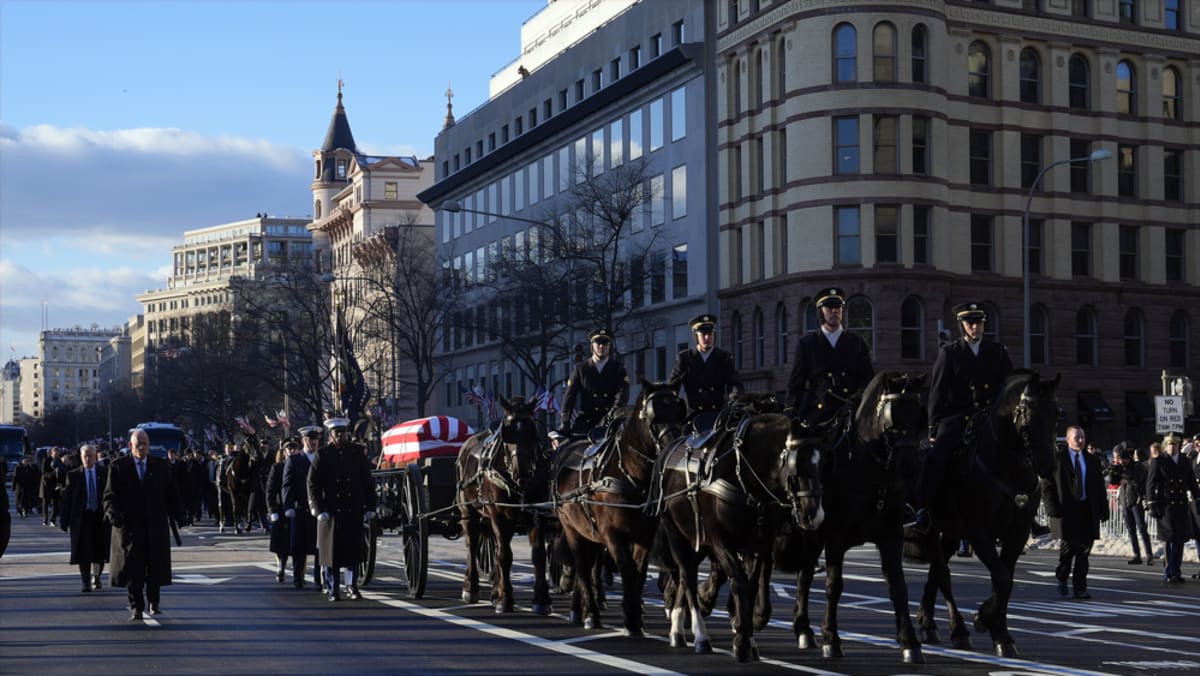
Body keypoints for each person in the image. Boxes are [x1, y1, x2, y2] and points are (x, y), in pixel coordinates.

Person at [914, 302, 1013, 534]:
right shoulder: (949, 353)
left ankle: (1023, 507)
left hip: (990, 416)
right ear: (962, 326)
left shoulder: (997, 352)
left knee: (1019, 452)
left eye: (978, 323)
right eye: (970, 323)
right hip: (959, 417)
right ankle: (925, 509)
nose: (975, 327)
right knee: (936, 458)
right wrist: (933, 429)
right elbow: (937, 392)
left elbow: (1008, 387)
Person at [103, 429, 185, 621]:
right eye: (138, 444)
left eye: (145, 443)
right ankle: (136, 606)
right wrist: (115, 516)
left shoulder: (161, 466)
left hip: (155, 526)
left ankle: (154, 603)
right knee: (133, 569)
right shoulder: (118, 467)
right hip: (130, 528)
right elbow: (109, 497)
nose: (141, 447)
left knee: (155, 566)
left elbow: (171, 494)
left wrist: (180, 515)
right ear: (130, 445)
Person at [784, 287, 875, 428]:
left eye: (838, 307)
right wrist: (790, 411)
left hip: (850, 409)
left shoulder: (856, 342)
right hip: (818, 411)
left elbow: (868, 377)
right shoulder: (807, 344)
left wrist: (859, 396)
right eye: (829, 307)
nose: (835, 311)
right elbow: (797, 383)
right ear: (821, 311)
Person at [307, 417, 376, 601]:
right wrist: (318, 509)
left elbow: (367, 481)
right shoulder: (323, 454)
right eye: (337, 433)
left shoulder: (356, 452)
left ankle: (352, 586)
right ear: (331, 435)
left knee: (352, 553)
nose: (341, 435)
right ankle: (332, 588)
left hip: (352, 509)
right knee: (331, 555)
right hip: (330, 512)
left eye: (343, 432)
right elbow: (312, 484)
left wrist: (370, 506)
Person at [1042, 425, 1109, 599]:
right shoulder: (1058, 460)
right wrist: (1052, 508)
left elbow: (1100, 487)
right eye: (1077, 437)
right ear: (1068, 439)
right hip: (1066, 512)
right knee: (1068, 549)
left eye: (1082, 437)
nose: (1080, 441)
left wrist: (1103, 508)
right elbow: (1048, 486)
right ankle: (1062, 576)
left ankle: (1080, 587)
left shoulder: (1092, 460)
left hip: (1087, 510)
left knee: (1084, 551)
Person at [669, 313, 743, 424]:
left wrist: (734, 397)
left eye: (710, 334)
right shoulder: (684, 359)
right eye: (703, 334)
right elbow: (673, 387)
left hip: (718, 416)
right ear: (696, 336)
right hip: (693, 417)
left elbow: (734, 383)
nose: (707, 337)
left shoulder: (723, 358)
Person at [1147, 432, 1200, 584]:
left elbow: (1191, 482)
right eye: (1169, 444)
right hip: (1166, 505)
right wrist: (1151, 503)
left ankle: (1176, 570)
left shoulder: (1185, 461)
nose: (1171, 447)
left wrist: (1197, 497)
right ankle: (1168, 571)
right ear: (1165, 445)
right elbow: (1150, 484)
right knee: (1169, 538)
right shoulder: (1159, 461)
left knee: (1179, 539)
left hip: (1181, 504)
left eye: (1174, 444)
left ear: (1178, 446)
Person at [558, 329, 630, 438]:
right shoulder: (581, 369)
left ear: (609, 346)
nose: (601, 347)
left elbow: (622, 393)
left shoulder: (618, 369)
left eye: (605, 343)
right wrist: (565, 423)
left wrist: (616, 411)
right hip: (586, 422)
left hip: (610, 422)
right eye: (598, 343)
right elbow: (569, 397)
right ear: (592, 346)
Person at [60, 444, 111, 592]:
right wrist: (64, 519)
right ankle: (85, 581)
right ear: (81, 458)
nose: (88, 459)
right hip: (82, 517)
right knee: (84, 551)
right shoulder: (74, 475)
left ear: (96, 457)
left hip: (100, 517)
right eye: (85, 456)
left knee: (100, 549)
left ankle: (97, 576)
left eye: (90, 455)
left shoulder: (104, 473)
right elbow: (67, 499)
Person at [284, 426, 322, 590]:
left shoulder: (322, 458)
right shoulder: (294, 460)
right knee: (299, 546)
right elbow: (287, 485)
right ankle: (298, 577)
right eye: (309, 439)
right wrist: (288, 506)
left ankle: (319, 578)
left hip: (319, 508)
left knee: (320, 545)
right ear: (303, 441)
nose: (312, 442)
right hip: (300, 508)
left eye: (315, 439)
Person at [1108, 446, 1155, 565]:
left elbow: (1134, 478)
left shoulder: (1137, 466)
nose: (1123, 461)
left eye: (1125, 459)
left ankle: (1149, 554)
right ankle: (1136, 554)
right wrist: (1113, 471)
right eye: (1121, 459)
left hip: (1136, 501)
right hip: (1125, 501)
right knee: (1131, 530)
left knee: (1142, 528)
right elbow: (1113, 482)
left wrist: (1123, 470)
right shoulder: (1121, 468)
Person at [265, 439, 297, 583]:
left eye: (295, 448)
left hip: (297, 509)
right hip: (280, 509)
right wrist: (272, 510)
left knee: (298, 543)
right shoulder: (277, 468)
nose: (292, 451)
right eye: (289, 449)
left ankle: (298, 573)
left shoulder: (302, 465)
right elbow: (270, 491)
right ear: (284, 452)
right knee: (280, 543)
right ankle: (281, 566)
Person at [40, 447, 63, 526]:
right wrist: (52, 473)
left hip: (56, 484)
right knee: (45, 502)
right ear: (52, 453)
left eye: (58, 453)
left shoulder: (60, 460)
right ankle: (45, 519)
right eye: (55, 453)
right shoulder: (46, 460)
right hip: (46, 484)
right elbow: (43, 472)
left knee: (55, 503)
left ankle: (53, 519)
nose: (57, 455)